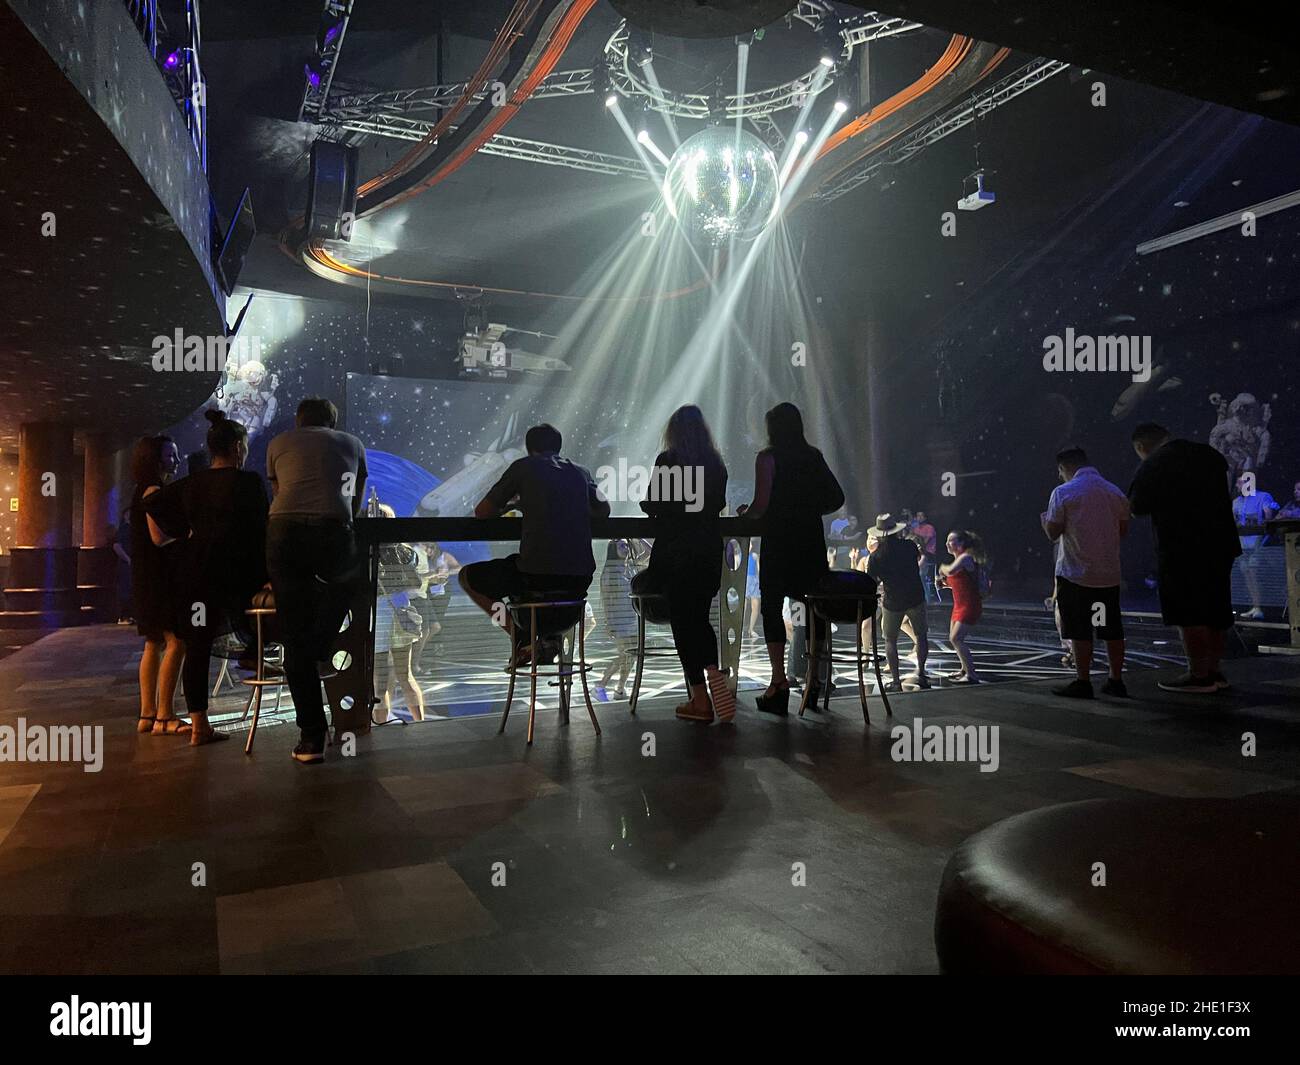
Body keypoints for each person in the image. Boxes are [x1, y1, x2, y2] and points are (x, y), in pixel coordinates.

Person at [144, 410, 268, 745]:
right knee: (260, 623)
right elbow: (261, 532)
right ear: (238, 448)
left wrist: (187, 533)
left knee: (196, 647)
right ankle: (253, 657)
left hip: (196, 574)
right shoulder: (251, 483)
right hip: (240, 574)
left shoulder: (193, 483)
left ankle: (199, 727)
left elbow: (153, 503)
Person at [265, 397, 368, 764]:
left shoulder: (277, 443)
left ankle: (312, 737)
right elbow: (355, 493)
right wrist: (345, 519)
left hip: (284, 532)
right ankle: (321, 645)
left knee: (294, 634)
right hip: (332, 531)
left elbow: (279, 492)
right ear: (332, 421)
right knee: (348, 583)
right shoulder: (351, 443)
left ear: (298, 420)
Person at [460, 423, 609, 663]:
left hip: (535, 583)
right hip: (577, 591)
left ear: (529, 449)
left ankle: (521, 637)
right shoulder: (581, 472)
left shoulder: (523, 468)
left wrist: (516, 504)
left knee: (468, 578)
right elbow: (604, 510)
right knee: (538, 579)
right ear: (559, 447)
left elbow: (483, 511)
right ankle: (547, 640)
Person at [738, 402, 845, 716]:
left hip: (778, 543)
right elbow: (837, 497)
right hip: (810, 543)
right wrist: (810, 510)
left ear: (772, 429)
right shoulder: (813, 457)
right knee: (816, 610)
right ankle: (813, 681)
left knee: (771, 608)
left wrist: (748, 513)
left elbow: (760, 504)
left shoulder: (767, 458)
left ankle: (778, 683)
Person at [631, 405, 733, 723]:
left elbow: (652, 503)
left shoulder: (668, 461)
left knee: (683, 625)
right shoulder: (715, 463)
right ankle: (715, 673)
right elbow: (718, 504)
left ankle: (700, 699)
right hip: (707, 552)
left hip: (675, 554)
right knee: (700, 620)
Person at [1128, 422, 1240, 693]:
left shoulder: (1155, 463)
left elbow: (1136, 506)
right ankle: (1214, 671)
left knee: (1188, 612)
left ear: (1141, 447)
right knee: (1216, 609)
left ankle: (1198, 675)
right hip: (1220, 543)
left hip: (1181, 547)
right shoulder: (1209, 454)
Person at [1040, 447, 1130, 699]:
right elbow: (1123, 530)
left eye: (1059, 471)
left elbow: (1053, 533)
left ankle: (1083, 680)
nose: (1059, 476)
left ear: (1065, 467)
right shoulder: (1114, 491)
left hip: (1076, 574)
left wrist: (1046, 523)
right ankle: (1116, 679)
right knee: (1110, 628)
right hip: (1108, 575)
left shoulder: (1064, 492)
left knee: (1079, 629)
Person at [128, 435, 186, 735]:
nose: (176, 461)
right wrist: (189, 537)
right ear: (155, 459)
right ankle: (166, 715)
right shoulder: (154, 491)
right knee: (177, 641)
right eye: (170, 455)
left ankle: (146, 715)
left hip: (143, 578)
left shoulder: (139, 491)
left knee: (153, 643)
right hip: (160, 578)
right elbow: (158, 537)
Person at [371, 505, 426, 724]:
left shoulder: (369, 549)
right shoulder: (405, 551)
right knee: (406, 674)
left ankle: (380, 726)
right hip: (402, 613)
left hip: (379, 616)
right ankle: (420, 723)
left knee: (379, 680)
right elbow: (415, 583)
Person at [866, 514, 930, 691]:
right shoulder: (909, 546)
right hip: (915, 596)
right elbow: (917, 562)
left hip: (893, 600)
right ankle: (922, 674)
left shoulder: (876, 556)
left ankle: (896, 681)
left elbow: (872, 581)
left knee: (890, 640)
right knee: (921, 636)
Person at [938, 530, 986, 683]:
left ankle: (972, 675)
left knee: (956, 638)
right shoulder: (959, 559)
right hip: (959, 605)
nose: (947, 544)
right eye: (947, 540)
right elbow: (959, 584)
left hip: (969, 605)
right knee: (954, 639)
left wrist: (942, 568)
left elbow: (950, 570)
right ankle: (964, 669)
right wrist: (944, 584)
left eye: (951, 540)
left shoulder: (965, 558)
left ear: (961, 544)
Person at [1231, 474, 1278, 620]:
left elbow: (1268, 518)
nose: (1237, 486)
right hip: (1243, 544)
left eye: (1240, 483)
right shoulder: (1236, 502)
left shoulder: (1263, 496)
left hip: (1258, 543)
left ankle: (1259, 606)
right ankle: (1254, 605)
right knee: (1247, 574)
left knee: (1254, 573)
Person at [597, 540, 637, 699]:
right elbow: (607, 599)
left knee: (631, 655)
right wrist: (609, 622)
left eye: (627, 545)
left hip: (631, 619)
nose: (625, 548)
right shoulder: (610, 572)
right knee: (624, 655)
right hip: (619, 621)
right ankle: (601, 685)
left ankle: (620, 688)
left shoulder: (629, 569)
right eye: (621, 545)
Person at [910, 510, 940, 603]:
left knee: (921, 576)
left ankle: (928, 600)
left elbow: (924, 543)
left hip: (928, 554)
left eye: (921, 516)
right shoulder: (916, 529)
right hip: (918, 554)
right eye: (917, 516)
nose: (919, 518)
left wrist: (916, 540)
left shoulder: (929, 528)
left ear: (925, 517)